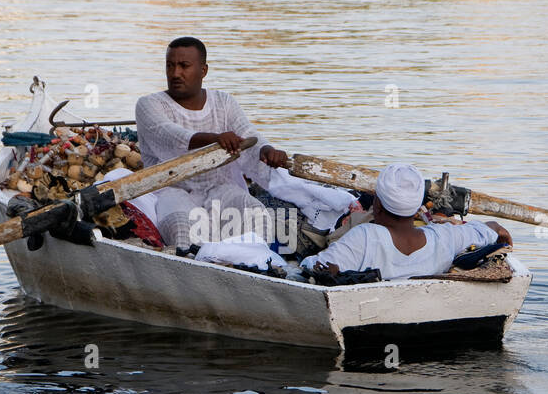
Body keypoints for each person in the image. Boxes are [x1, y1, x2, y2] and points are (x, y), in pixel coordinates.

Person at [135, 37, 289, 252]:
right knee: (183, 228)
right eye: (170, 66)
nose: (175, 73)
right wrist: (215, 138)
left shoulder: (224, 102)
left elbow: (248, 134)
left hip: (220, 189)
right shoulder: (148, 104)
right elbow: (168, 135)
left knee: (257, 213)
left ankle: (255, 266)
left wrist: (266, 150)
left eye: (184, 66)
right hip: (172, 191)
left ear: (203, 70)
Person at [301, 162, 513, 280]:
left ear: (378, 206)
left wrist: (315, 265)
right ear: (416, 208)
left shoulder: (364, 236)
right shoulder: (445, 237)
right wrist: (500, 233)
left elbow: (312, 266)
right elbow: (493, 229)